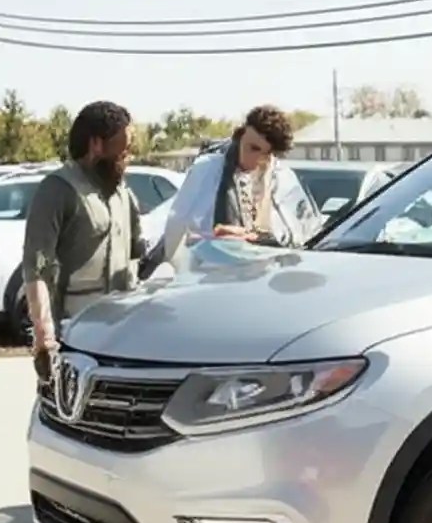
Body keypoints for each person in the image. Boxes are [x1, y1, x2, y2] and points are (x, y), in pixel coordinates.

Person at [22, 100, 145, 380]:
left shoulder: (123, 194)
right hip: (75, 338)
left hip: (123, 337)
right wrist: (45, 339)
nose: (129, 152)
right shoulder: (57, 190)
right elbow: (36, 267)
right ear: (96, 144)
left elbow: (141, 259)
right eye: (123, 145)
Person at [153, 104, 322, 276]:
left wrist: (258, 238)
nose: (255, 157)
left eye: (265, 154)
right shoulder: (208, 169)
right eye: (252, 148)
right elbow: (177, 222)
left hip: (266, 276)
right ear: (241, 137)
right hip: (207, 274)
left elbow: (305, 232)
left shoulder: (282, 179)